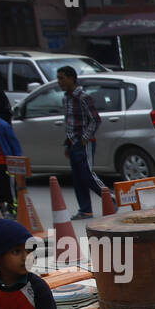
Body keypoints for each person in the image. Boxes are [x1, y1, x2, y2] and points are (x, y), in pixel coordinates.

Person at [57, 66, 111, 220]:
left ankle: (110, 198)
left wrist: (85, 137)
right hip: (72, 142)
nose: (59, 82)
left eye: (62, 78)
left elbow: (95, 120)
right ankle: (85, 209)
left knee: (87, 174)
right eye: (58, 78)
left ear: (71, 78)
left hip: (84, 142)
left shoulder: (82, 97)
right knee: (78, 178)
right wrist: (68, 143)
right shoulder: (66, 98)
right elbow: (69, 123)